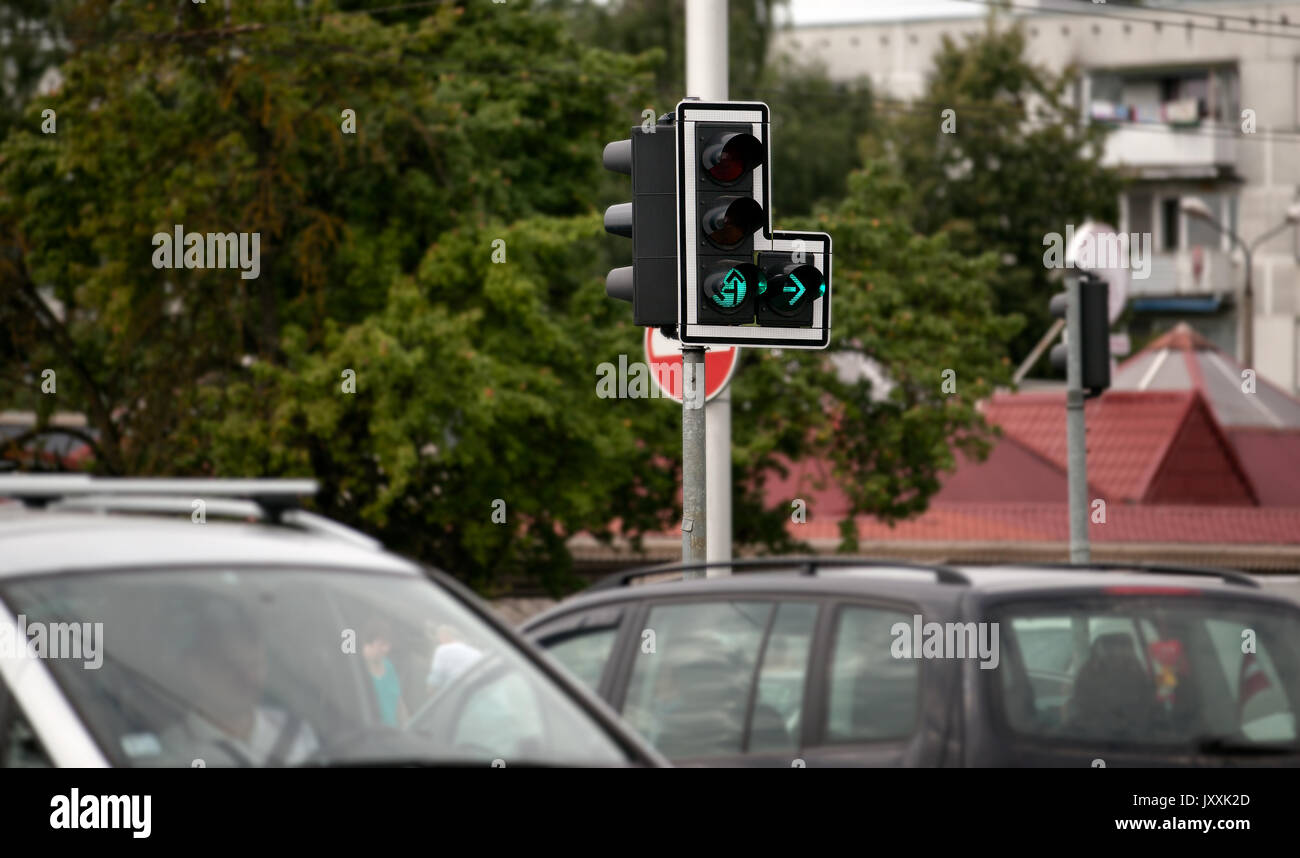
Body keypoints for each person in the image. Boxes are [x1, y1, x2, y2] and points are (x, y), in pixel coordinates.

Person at [164, 596, 319, 766]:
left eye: (255, 665)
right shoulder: (171, 753)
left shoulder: (298, 733)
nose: (248, 678)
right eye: (231, 667)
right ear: (197, 671)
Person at [361, 617, 408, 728]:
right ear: (368, 644)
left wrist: (407, 726)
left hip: (393, 734)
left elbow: (399, 703)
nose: (386, 649)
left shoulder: (388, 666)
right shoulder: (359, 671)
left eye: (388, 644)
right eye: (381, 644)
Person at [426, 623, 482, 691]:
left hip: (460, 689)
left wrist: (430, 690)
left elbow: (436, 675)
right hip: (478, 684)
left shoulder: (442, 650)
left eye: (439, 636)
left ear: (444, 636)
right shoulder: (469, 648)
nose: (438, 639)